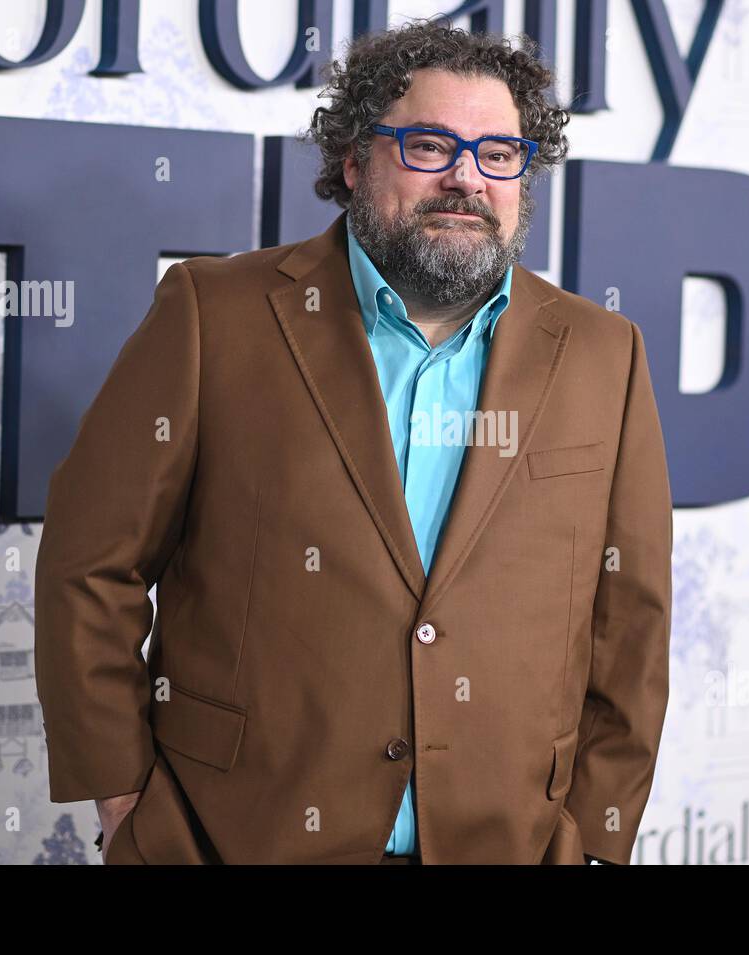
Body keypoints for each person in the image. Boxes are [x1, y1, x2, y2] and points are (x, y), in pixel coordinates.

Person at [34, 18, 672, 865]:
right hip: (232, 840)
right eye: (428, 144)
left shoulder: (605, 354)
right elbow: (90, 564)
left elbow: (631, 624)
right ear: (353, 161)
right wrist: (125, 803)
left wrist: (598, 837)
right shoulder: (211, 315)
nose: (466, 178)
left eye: (499, 154)